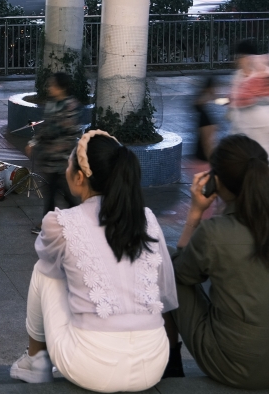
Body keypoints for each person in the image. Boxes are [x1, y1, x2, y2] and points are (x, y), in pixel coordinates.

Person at [10, 130, 177, 389]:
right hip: (153, 363)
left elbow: (50, 264)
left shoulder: (60, 222)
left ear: (79, 177)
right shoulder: (146, 218)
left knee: (45, 271)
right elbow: (164, 296)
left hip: (91, 367)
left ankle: (35, 359)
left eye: (68, 164)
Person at [170, 134, 269, 389]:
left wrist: (195, 213)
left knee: (169, 268)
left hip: (235, 365)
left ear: (217, 181)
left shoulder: (214, 232)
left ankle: (169, 364)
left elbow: (182, 274)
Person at [227, 39, 269, 182]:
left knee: (263, 190)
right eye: (238, 58)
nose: (239, 61)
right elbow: (233, 109)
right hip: (244, 146)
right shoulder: (238, 77)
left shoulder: (266, 77)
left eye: (242, 57)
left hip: (266, 148)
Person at [26, 72, 83, 234]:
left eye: (53, 85)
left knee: (59, 190)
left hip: (63, 157)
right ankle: (57, 221)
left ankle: (49, 224)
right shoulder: (52, 104)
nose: (50, 88)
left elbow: (60, 128)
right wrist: (35, 141)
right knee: (55, 190)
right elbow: (46, 127)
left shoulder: (71, 106)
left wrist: (39, 140)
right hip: (50, 156)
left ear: (61, 88)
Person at [193, 76, 218, 164]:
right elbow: (207, 143)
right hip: (204, 161)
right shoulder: (205, 114)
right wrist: (212, 162)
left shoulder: (202, 110)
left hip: (199, 158)